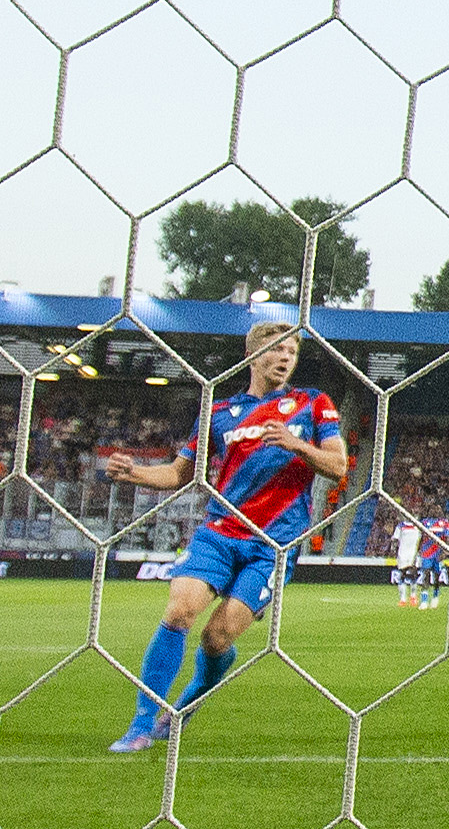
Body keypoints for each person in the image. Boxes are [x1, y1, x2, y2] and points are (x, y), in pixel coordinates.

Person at [104, 321, 348, 751]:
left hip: (274, 543)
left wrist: (296, 444)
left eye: (292, 350)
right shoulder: (218, 413)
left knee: (216, 639)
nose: (286, 357)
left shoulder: (312, 404)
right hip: (219, 531)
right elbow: (179, 474)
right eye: (278, 349)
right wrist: (134, 472)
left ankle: (185, 705)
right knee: (180, 610)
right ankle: (141, 725)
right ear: (255, 355)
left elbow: (338, 466)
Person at [416, 513, 449, 610]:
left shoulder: (444, 523)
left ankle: (435, 597)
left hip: (438, 554)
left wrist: (444, 552)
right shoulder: (425, 522)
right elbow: (421, 537)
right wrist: (419, 549)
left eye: (438, 509)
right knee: (425, 575)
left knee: (436, 578)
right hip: (427, 554)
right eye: (433, 509)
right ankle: (424, 601)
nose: (435, 510)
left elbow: (447, 539)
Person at [392, 511, 421, 609]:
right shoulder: (401, 526)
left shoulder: (418, 525)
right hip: (402, 554)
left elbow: (420, 540)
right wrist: (393, 550)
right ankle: (403, 599)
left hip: (413, 554)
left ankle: (413, 597)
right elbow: (395, 539)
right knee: (402, 575)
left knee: (413, 575)